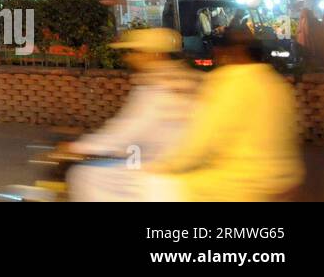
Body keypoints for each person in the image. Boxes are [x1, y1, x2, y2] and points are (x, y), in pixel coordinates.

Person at [143, 26, 304, 201]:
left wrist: (168, 166)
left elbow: (202, 138)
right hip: (284, 180)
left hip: (241, 186)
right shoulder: (274, 82)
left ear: (226, 51)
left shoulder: (227, 82)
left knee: (163, 187)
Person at [66, 27, 201, 201]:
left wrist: (79, 148)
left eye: (135, 51)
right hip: (182, 166)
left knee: (84, 175)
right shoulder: (187, 78)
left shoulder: (155, 86)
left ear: (155, 54)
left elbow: (126, 133)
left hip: (158, 173)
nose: (129, 57)